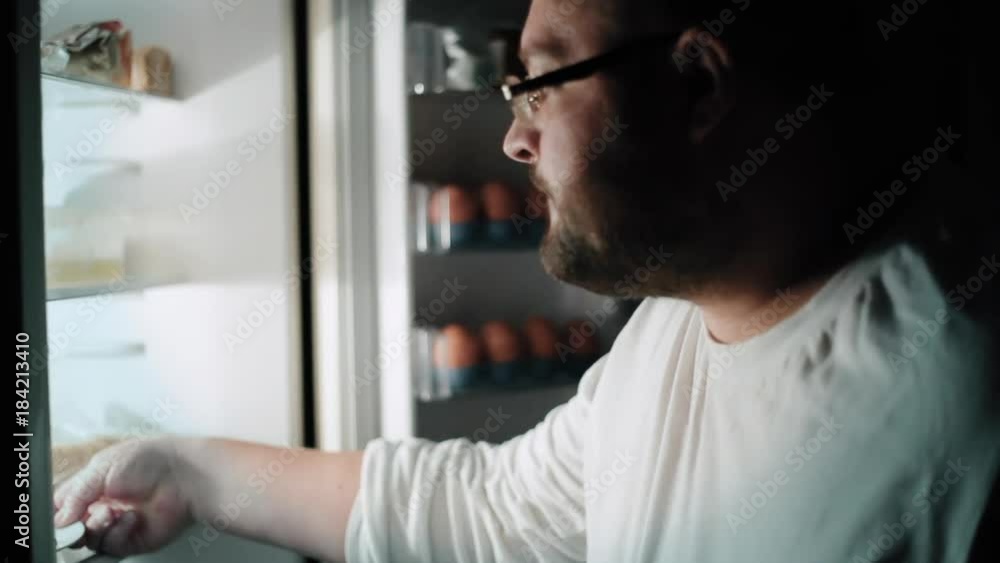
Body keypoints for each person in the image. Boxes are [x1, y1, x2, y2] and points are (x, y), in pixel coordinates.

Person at [54, 0, 998, 561]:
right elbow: (496, 507)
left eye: (542, 85)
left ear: (699, 86)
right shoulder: (676, 329)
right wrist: (191, 468)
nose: (514, 138)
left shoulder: (953, 396)